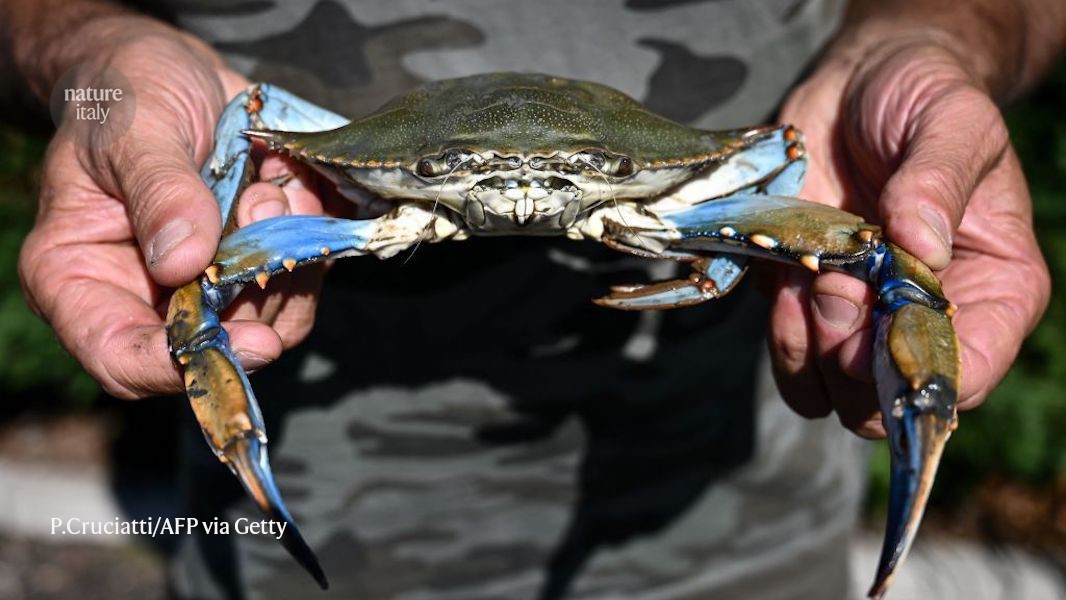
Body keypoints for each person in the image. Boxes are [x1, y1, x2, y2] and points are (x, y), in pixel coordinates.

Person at [4, 0, 1061, 598]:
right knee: (200, 298)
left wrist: (944, 37)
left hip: (737, 547)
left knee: (889, 257)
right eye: (476, 173)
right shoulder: (291, 138)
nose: (516, 197)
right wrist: (85, 73)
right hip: (272, 555)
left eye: (566, 176)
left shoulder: (729, 171)